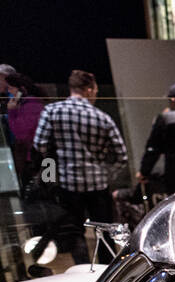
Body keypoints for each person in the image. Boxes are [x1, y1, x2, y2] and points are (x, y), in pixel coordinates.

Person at [31, 70, 128, 264]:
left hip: (67, 184)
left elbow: (39, 143)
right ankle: (106, 273)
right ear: (90, 89)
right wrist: (106, 174)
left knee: (74, 231)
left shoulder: (52, 111)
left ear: (72, 88)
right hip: (98, 185)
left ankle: (83, 270)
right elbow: (121, 155)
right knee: (104, 232)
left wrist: (55, 162)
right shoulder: (102, 117)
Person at [3, 72, 45, 184]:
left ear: (21, 89)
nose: (9, 91)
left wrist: (11, 111)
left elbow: (20, 134)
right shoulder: (28, 103)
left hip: (32, 160)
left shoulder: (31, 105)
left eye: (11, 88)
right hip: (31, 157)